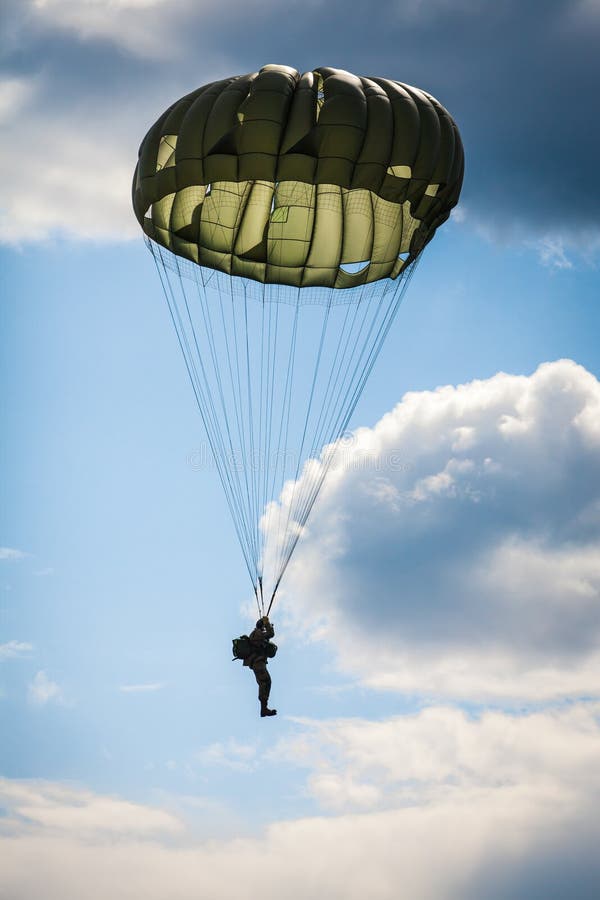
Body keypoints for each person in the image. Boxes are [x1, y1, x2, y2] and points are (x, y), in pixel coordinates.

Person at [244, 615, 277, 717]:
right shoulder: (257, 633)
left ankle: (264, 708)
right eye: (264, 627)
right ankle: (263, 709)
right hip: (258, 664)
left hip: (258, 664)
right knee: (265, 682)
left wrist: (267, 625)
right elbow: (271, 634)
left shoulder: (256, 634)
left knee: (265, 683)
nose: (264, 630)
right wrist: (267, 623)